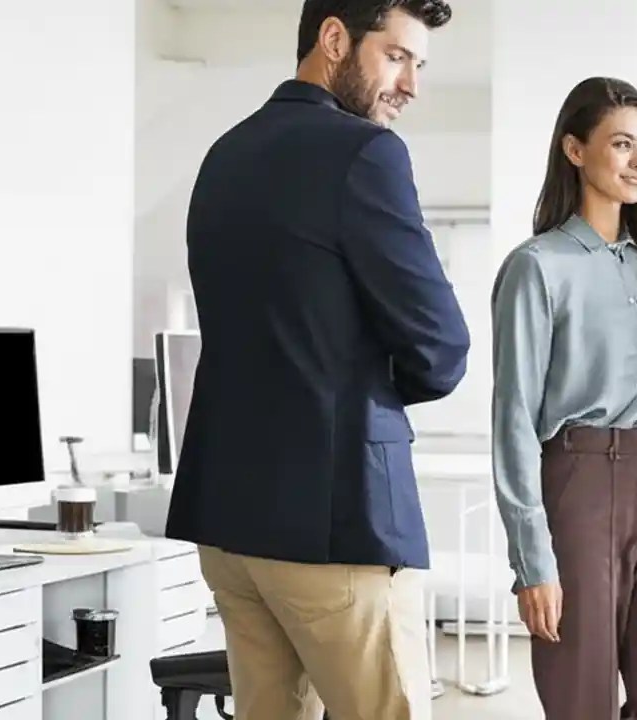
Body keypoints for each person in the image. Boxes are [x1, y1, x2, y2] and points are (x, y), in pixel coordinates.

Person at [164, 1, 467, 719]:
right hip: (336, 526)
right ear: (334, 38)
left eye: (418, 65)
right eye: (396, 56)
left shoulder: (225, 155)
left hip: (232, 525)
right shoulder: (366, 153)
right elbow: (441, 346)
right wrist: (369, 382)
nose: (411, 85)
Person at [491, 76, 637, 719]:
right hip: (580, 491)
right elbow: (514, 423)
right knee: (583, 705)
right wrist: (533, 562)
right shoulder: (538, 266)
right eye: (622, 144)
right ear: (575, 150)